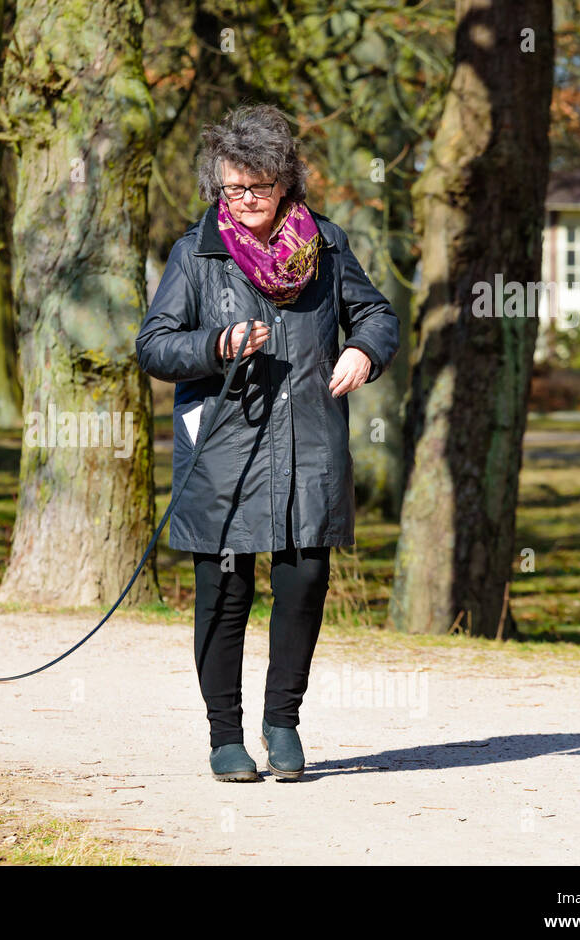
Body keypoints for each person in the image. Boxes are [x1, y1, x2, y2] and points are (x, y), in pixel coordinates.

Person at [136, 104, 400, 781]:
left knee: (306, 579)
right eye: (232, 187)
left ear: (285, 182)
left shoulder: (329, 245)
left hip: (308, 442)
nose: (245, 199)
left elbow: (375, 312)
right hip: (224, 449)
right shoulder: (196, 253)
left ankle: (283, 722)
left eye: (257, 185)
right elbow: (154, 346)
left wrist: (366, 351)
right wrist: (215, 345)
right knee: (225, 593)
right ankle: (225, 735)